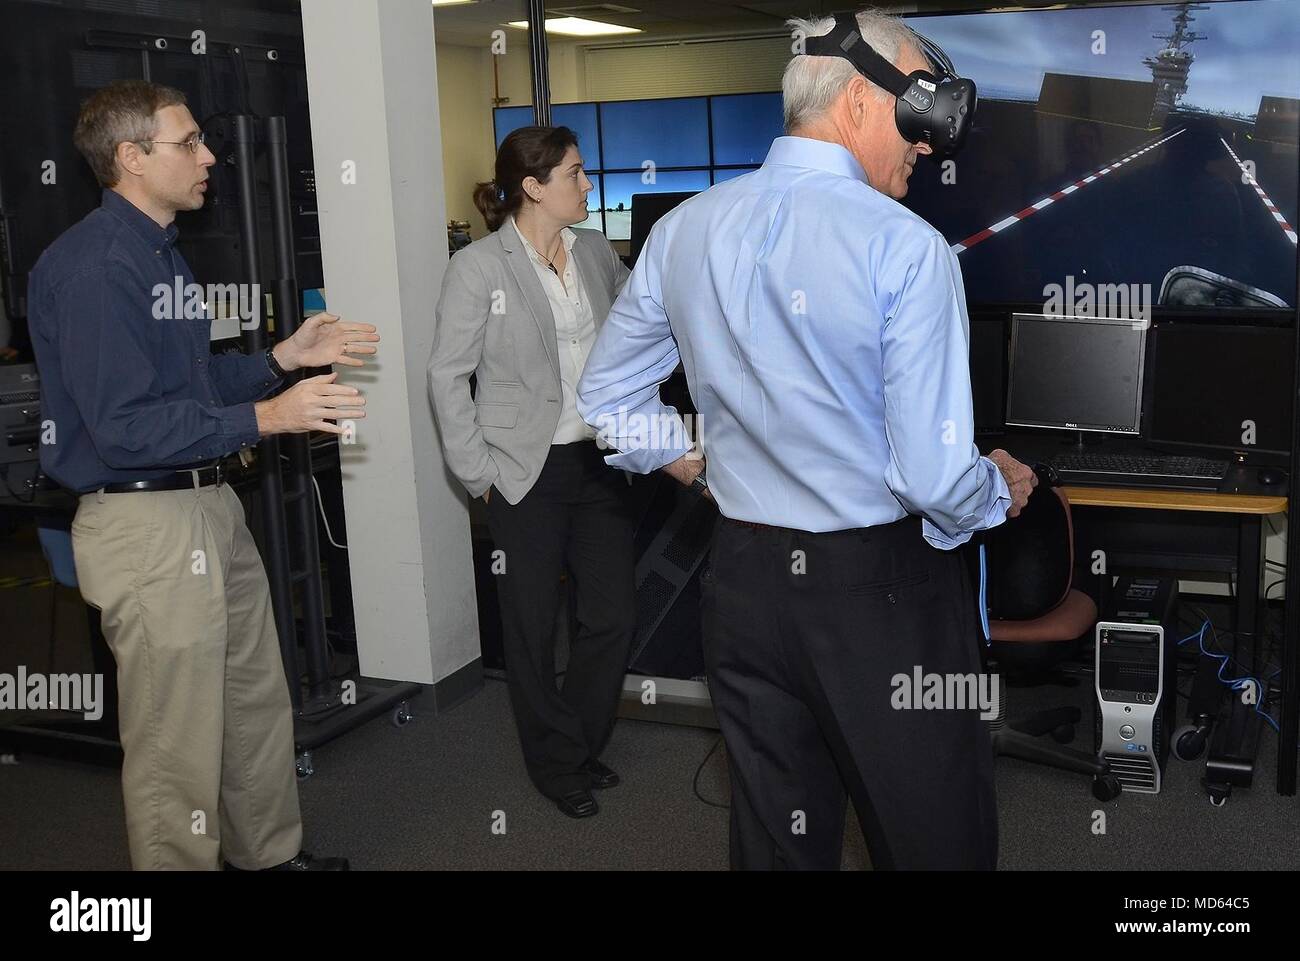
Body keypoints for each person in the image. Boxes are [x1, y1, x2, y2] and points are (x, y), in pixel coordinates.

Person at [576, 10, 1036, 869]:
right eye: (920, 114)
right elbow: (934, 478)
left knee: (778, 839)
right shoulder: (908, 249)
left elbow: (604, 398)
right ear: (862, 101)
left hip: (744, 584)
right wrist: (994, 488)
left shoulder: (684, 230)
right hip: (883, 595)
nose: (929, 146)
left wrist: (705, 467)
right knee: (936, 838)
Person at [27, 79, 379, 870]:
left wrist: (280, 361)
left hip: (208, 503)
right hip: (143, 523)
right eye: (188, 142)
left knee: (253, 702)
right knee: (174, 742)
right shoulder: (91, 269)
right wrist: (271, 417)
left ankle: (268, 855)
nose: (208, 155)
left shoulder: (162, 255)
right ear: (130, 157)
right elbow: (124, 428)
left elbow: (188, 390)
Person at [428, 126, 637, 819]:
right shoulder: (479, 269)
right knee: (531, 622)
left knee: (610, 615)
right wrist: (477, 472)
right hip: (524, 470)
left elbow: (636, 327)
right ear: (533, 186)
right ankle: (555, 764)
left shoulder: (595, 252)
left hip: (599, 461)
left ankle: (576, 740)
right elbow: (446, 376)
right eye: (575, 174)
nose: (587, 184)